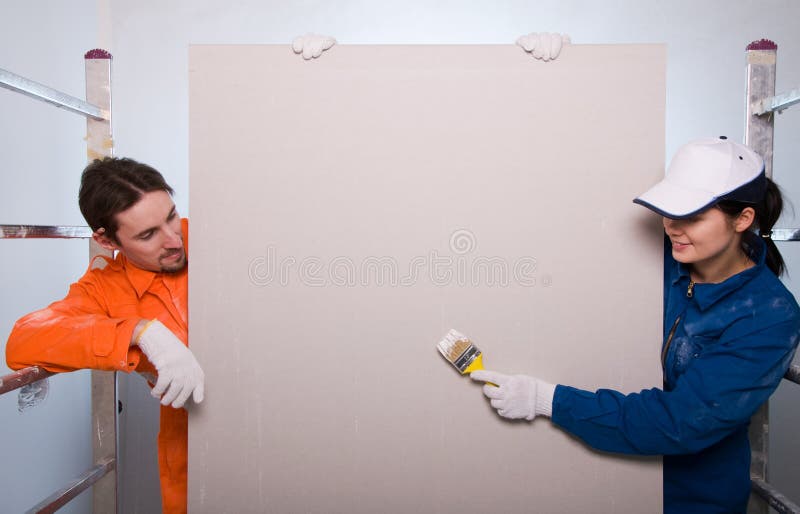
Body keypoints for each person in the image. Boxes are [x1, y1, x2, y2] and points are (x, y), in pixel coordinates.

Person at [470, 137, 800, 513]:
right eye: (669, 210)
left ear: (743, 219)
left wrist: (547, 400)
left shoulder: (769, 316)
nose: (673, 226)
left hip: (694, 498)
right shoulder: (660, 259)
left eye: (692, 215)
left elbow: (681, 421)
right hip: (615, 480)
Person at [5, 157, 204, 514]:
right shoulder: (104, 290)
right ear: (106, 239)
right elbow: (25, 338)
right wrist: (140, 331)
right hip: (194, 449)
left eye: (171, 216)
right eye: (148, 234)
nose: (175, 240)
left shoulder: (218, 237)